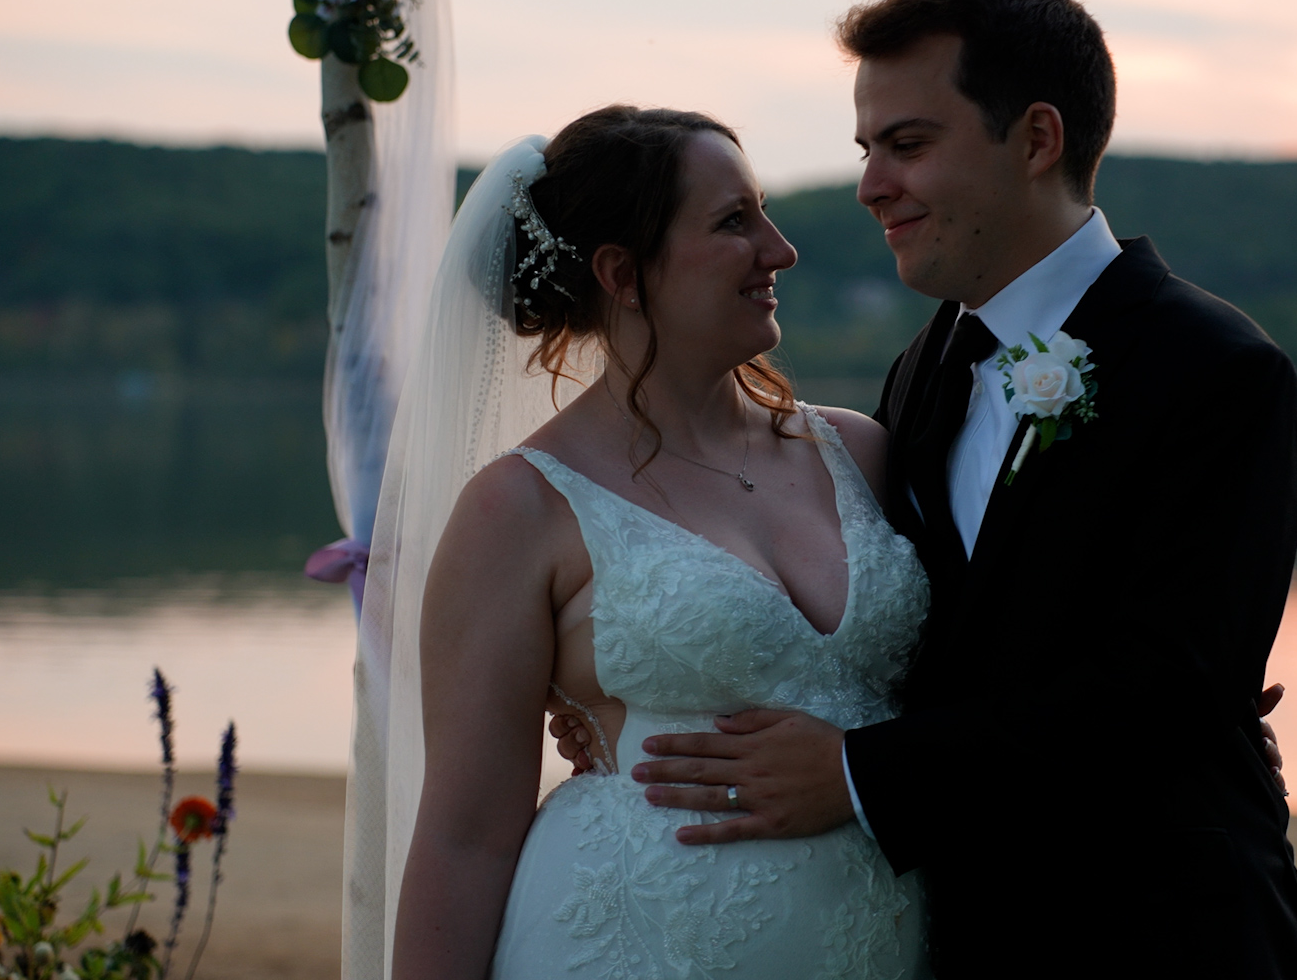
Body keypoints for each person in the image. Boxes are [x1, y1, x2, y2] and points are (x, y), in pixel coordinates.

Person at [616, 0, 1297, 977]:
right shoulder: (926, 367)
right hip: (961, 934)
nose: (871, 184)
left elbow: (1170, 688)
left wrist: (861, 777)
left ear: (1037, 140)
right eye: (867, 150)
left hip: (1160, 931)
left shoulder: (1216, 371)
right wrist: (637, 705)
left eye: (907, 145)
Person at [367, 106, 935, 980]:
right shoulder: (520, 508)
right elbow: (464, 838)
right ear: (621, 273)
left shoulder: (861, 451)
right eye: (733, 223)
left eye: (764, 213)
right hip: (625, 946)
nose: (779, 250)